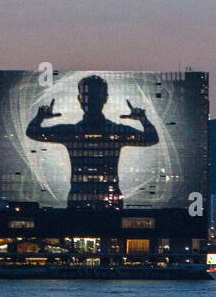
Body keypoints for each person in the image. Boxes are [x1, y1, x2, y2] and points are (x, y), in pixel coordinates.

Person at [26, 74, 159, 210]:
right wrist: (143, 119)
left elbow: (33, 132)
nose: (91, 100)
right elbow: (151, 138)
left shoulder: (71, 132)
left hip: (85, 203)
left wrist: (40, 117)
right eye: (88, 96)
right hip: (106, 204)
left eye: (95, 96)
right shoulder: (116, 131)